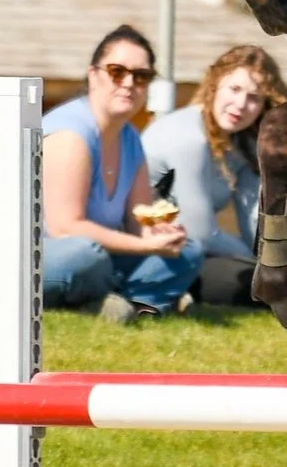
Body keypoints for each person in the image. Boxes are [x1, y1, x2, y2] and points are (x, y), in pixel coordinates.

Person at [36, 24, 202, 322]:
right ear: (93, 75)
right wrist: (143, 246)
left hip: (93, 253)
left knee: (187, 250)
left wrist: (161, 236)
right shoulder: (71, 135)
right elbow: (64, 228)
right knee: (86, 256)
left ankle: (123, 305)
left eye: (141, 76)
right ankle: (132, 299)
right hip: (21, 259)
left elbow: (139, 221)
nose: (129, 83)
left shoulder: (129, 138)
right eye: (117, 71)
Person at [141, 45, 287, 306]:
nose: (241, 105)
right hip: (146, 250)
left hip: (188, 251)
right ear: (214, 84)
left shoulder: (242, 145)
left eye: (254, 98)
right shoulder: (190, 136)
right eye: (234, 89)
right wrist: (259, 267)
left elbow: (255, 227)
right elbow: (201, 232)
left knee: (285, 284)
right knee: (260, 286)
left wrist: (275, 265)